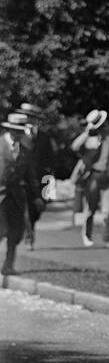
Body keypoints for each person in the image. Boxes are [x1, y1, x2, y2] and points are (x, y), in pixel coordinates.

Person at [71, 109, 109, 248]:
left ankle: (107, 239)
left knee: (108, 212)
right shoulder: (90, 142)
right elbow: (74, 147)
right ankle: (87, 235)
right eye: (100, 127)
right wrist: (87, 133)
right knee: (90, 209)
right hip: (93, 177)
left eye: (105, 126)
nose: (103, 130)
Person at [1, 113, 43, 276]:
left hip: (16, 197)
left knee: (15, 232)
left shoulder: (25, 151)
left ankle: (8, 266)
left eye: (21, 132)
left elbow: (31, 176)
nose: (19, 135)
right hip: (0, 195)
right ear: (10, 130)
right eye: (16, 131)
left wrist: (38, 196)